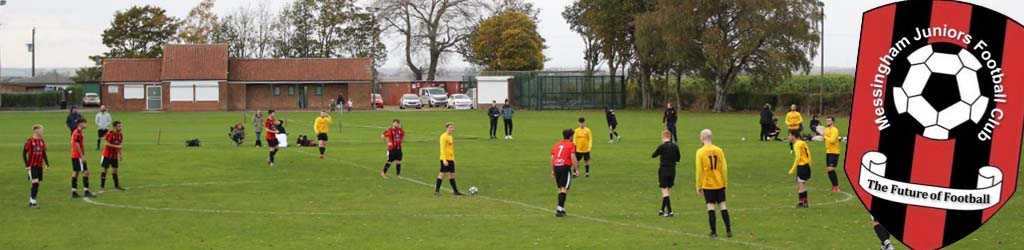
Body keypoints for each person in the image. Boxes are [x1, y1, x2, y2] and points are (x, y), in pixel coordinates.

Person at [695, 129, 732, 238]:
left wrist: (698, 185)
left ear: (702, 138)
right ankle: (728, 230)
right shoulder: (719, 150)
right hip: (719, 183)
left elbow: (699, 170)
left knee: (710, 207)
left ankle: (714, 232)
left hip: (708, 184)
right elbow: (724, 168)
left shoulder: (700, 152)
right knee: (723, 206)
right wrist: (725, 182)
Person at [651, 130, 680, 217]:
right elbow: (678, 158)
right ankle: (662, 210)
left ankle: (670, 211)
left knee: (664, 191)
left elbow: (653, 155)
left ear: (663, 137)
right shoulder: (675, 146)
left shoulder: (662, 147)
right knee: (668, 191)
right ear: (670, 137)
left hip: (663, 170)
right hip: (672, 170)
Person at [551, 128, 578, 217]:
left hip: (556, 166)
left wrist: (553, 170)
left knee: (560, 188)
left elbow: (552, 157)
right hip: (565, 167)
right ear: (570, 137)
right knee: (564, 188)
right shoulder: (571, 145)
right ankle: (559, 209)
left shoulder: (557, 144)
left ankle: (561, 209)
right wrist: (576, 169)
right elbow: (573, 156)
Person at [23, 124, 50, 208]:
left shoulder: (41, 141)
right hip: (32, 166)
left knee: (37, 184)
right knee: (35, 183)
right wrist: (27, 165)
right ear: (36, 131)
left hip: (39, 165)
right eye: (42, 130)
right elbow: (24, 153)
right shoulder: (29, 141)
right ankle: (32, 202)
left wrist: (47, 164)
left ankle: (32, 201)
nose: (43, 132)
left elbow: (44, 153)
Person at [436, 122, 463, 196]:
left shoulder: (450, 136)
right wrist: (444, 160)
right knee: (442, 174)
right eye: (451, 127)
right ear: (446, 128)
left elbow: (451, 149)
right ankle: (437, 191)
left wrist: (453, 159)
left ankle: (455, 191)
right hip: (445, 159)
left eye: (453, 128)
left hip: (451, 159)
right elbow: (442, 149)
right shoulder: (443, 137)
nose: (452, 129)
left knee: (452, 175)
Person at [70, 118, 95, 198]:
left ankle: (74, 192)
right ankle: (86, 191)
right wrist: (82, 156)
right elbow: (77, 144)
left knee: (76, 172)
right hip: (78, 156)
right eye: (85, 123)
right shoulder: (78, 132)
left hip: (75, 155)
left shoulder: (77, 132)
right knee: (85, 172)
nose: (86, 125)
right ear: (80, 124)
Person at [788, 130, 812, 208]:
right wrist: (809, 164)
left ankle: (802, 202)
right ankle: (805, 201)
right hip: (806, 165)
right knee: (803, 183)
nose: (789, 137)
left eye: (790, 135)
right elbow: (809, 153)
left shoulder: (796, 145)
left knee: (800, 184)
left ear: (793, 136)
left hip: (801, 166)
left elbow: (798, 157)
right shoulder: (803, 142)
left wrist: (793, 169)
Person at [100, 121, 125, 190]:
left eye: (121, 126)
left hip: (114, 156)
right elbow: (107, 143)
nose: (120, 127)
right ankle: (102, 186)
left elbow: (119, 145)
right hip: (107, 155)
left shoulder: (120, 135)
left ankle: (116, 185)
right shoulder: (110, 134)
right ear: (114, 127)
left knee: (115, 170)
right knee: (105, 170)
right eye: (119, 126)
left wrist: (120, 154)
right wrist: (117, 147)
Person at [823, 116, 841, 192]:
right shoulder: (826, 129)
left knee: (830, 169)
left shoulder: (835, 130)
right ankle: (834, 186)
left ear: (833, 122)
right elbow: (825, 139)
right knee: (829, 169)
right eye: (827, 121)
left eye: (829, 121)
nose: (827, 122)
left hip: (834, 152)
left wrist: (824, 136)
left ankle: (836, 187)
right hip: (828, 151)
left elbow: (832, 140)